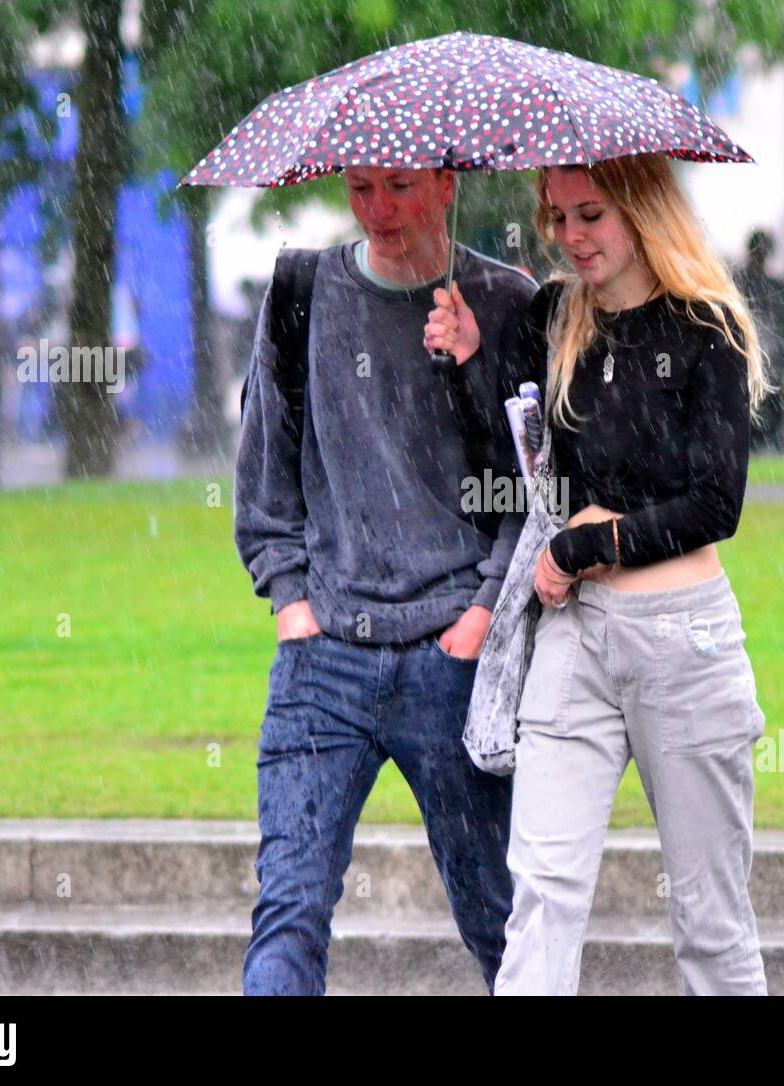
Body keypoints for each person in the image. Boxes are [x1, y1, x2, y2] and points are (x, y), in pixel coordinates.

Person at [426, 152, 773, 995]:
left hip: (681, 640)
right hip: (575, 640)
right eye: (557, 216)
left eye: (591, 215)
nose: (571, 236)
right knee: (540, 897)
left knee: (710, 919)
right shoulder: (556, 320)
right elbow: (506, 461)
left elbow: (713, 505)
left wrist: (581, 550)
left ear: (642, 208)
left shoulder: (707, 330)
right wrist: (471, 357)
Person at [234, 164, 536, 995]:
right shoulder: (301, 289)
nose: (378, 209)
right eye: (360, 188)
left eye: (399, 186)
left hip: (454, 662)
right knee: (289, 909)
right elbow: (265, 473)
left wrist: (481, 612)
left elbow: (536, 492)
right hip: (323, 658)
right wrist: (291, 600)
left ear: (446, 184)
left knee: (499, 917)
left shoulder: (508, 300)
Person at [733, 229, 784, 452]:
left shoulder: (739, 286)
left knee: (764, 421)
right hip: (757, 368)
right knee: (762, 423)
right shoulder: (770, 289)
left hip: (762, 368)